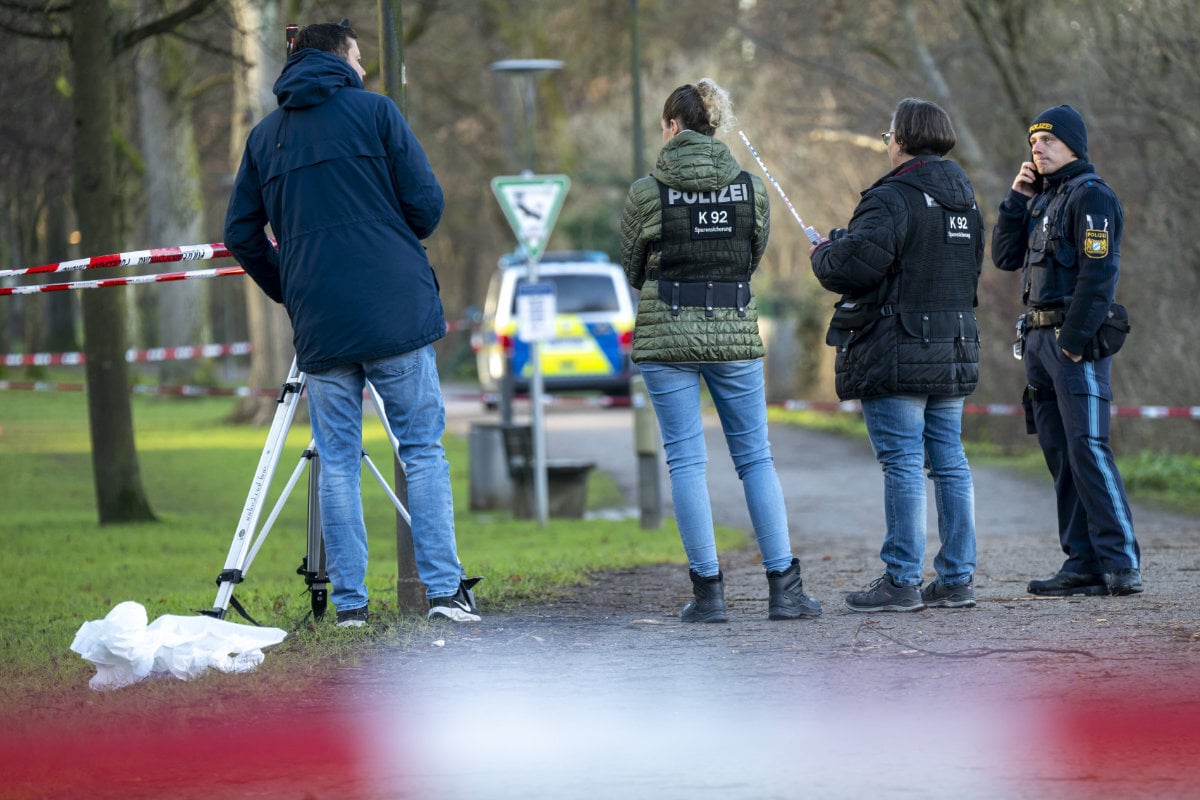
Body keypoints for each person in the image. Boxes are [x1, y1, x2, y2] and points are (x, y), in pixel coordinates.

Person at [223, 20, 481, 626]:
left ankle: (350, 608)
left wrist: (291, 287)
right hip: (396, 309)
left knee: (336, 458)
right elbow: (426, 206)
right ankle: (444, 593)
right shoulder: (377, 113)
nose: (364, 68)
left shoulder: (265, 138)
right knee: (421, 449)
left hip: (323, 323)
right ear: (340, 58)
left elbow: (240, 233)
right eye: (359, 58)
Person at [619, 78, 821, 623]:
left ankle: (708, 594)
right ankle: (784, 588)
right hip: (732, 328)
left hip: (666, 335)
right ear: (715, 126)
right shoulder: (750, 189)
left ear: (672, 126)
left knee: (686, 459)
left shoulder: (645, 191)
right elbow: (751, 256)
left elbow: (633, 268)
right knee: (755, 458)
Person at [809, 98, 984, 613]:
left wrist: (825, 252)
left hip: (899, 348)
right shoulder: (966, 199)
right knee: (949, 462)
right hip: (954, 346)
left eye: (889, 134)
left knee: (903, 462)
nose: (887, 141)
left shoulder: (891, 197)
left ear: (903, 139)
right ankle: (956, 580)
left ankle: (902, 581)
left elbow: (854, 269)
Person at [991, 104, 1142, 597]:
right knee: (1060, 454)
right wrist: (1016, 198)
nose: (1037, 148)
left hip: (1072, 343)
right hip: (1037, 343)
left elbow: (1100, 276)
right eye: (1033, 142)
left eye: (1048, 141)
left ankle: (1121, 563)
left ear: (1073, 145)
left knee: (1089, 449)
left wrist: (1073, 344)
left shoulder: (1091, 197)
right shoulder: (1042, 199)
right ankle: (1082, 562)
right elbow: (1005, 257)